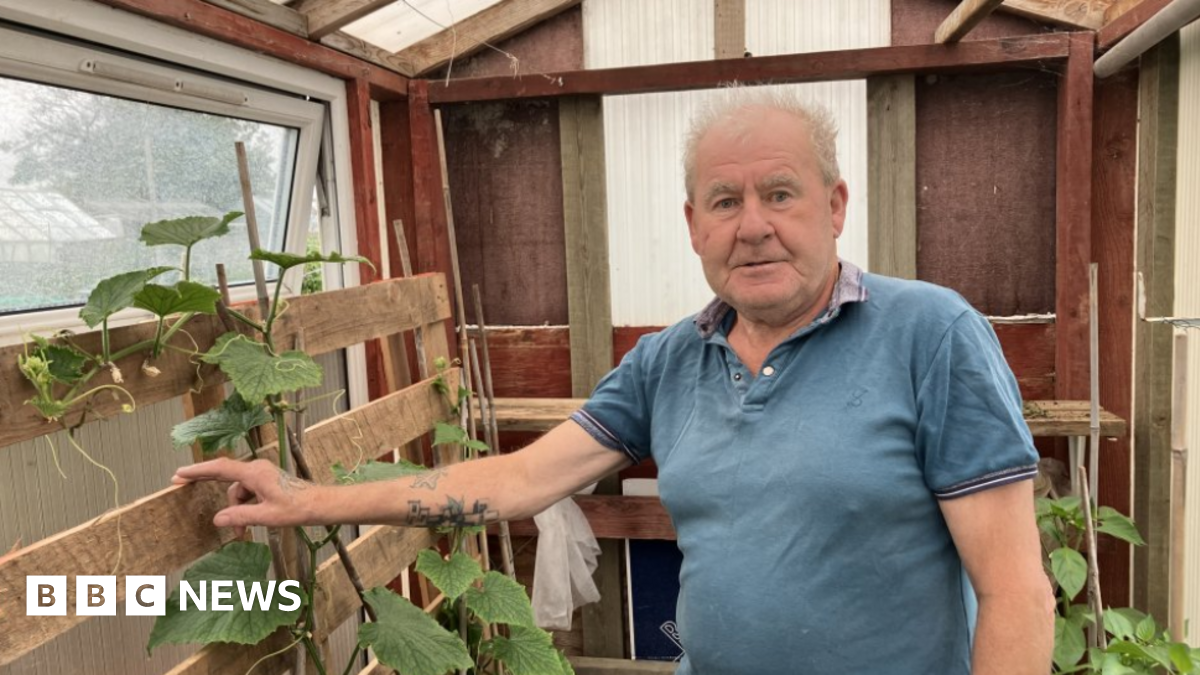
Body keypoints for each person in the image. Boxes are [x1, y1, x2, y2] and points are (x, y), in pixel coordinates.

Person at [174, 88, 1054, 674]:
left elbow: (1014, 587)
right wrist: (306, 500)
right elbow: (519, 478)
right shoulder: (670, 361)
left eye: (780, 194)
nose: (753, 227)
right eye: (724, 201)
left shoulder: (931, 334)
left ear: (834, 206)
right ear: (693, 225)